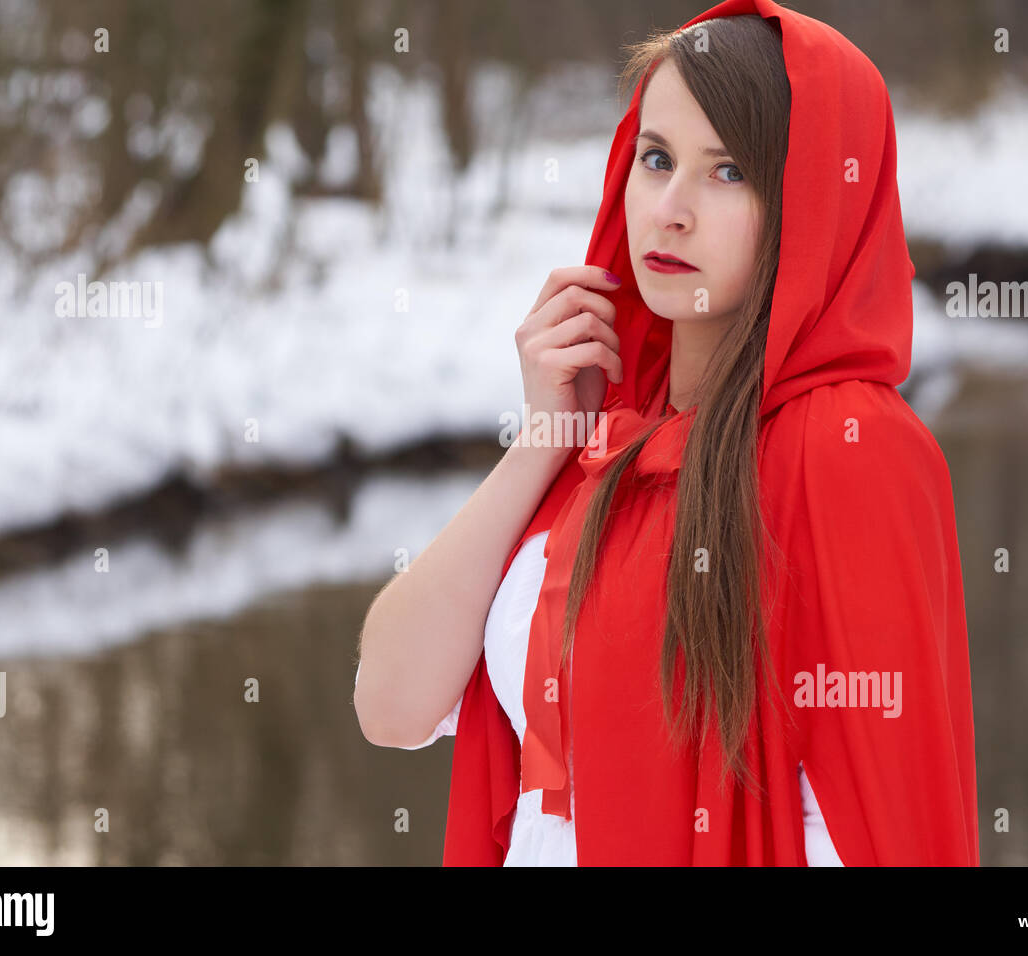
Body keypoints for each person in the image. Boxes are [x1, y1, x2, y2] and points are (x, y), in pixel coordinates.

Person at [354, 0, 979, 867]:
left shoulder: (844, 445)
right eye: (656, 159)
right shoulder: (602, 445)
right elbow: (391, 706)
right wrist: (545, 438)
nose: (670, 209)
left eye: (728, 173)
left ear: (814, 202)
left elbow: (878, 828)